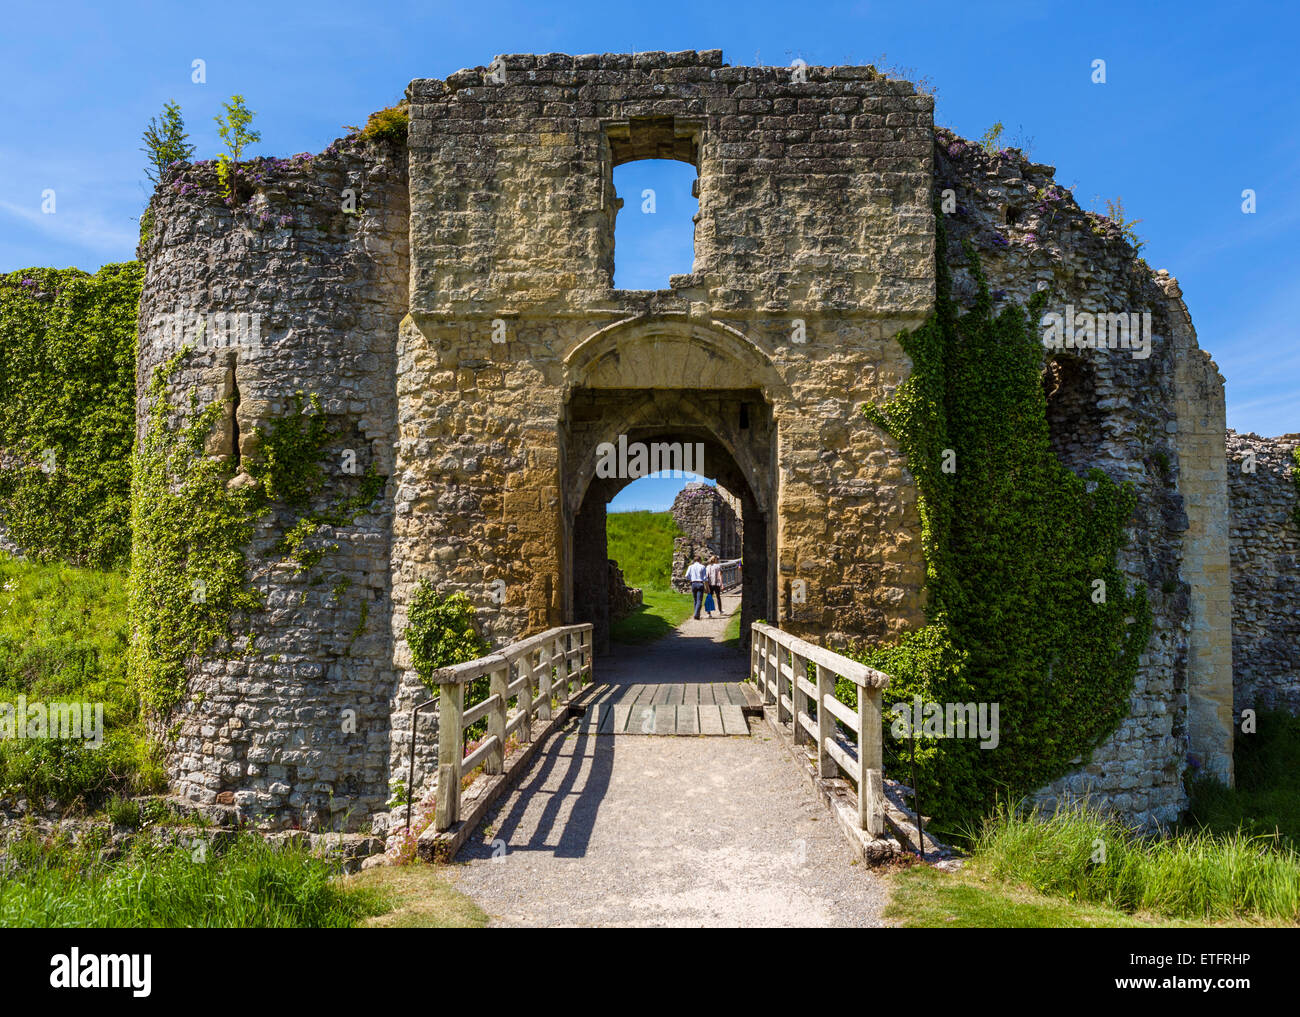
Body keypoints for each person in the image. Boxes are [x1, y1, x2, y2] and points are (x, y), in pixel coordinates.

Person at [686, 555, 708, 620]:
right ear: (699, 560)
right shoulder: (702, 566)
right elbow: (705, 578)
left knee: (695, 599)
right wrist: (707, 587)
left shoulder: (690, 567)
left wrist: (691, 579)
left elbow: (687, 575)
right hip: (700, 583)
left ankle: (696, 614)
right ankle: (696, 614)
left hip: (693, 583)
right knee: (699, 601)